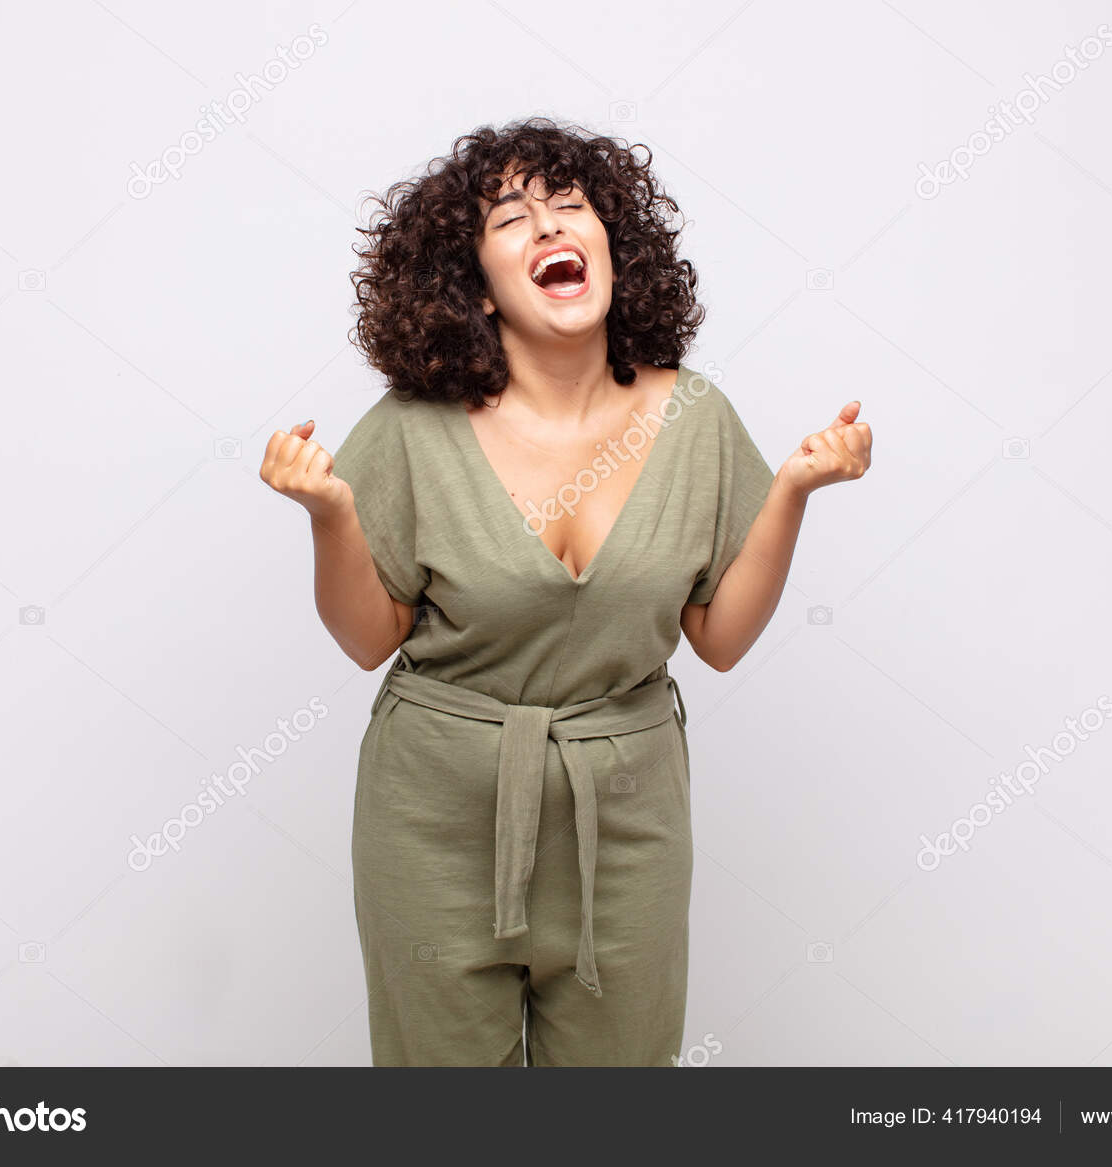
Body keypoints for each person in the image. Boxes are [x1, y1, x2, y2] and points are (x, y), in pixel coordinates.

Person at [259, 116, 871, 1066]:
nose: (547, 228)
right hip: (433, 814)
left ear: (613, 248)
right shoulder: (416, 427)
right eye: (511, 219)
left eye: (569, 207)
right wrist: (329, 513)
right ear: (477, 284)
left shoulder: (695, 419)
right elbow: (367, 637)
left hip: (627, 812)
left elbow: (719, 637)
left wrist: (793, 491)